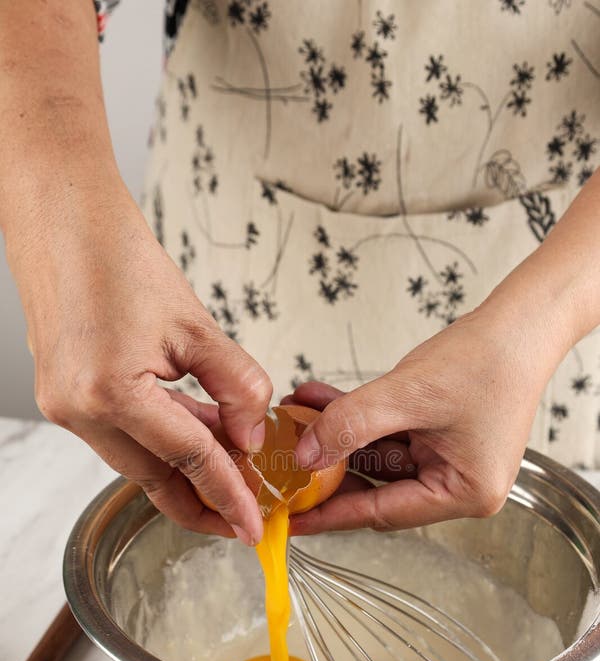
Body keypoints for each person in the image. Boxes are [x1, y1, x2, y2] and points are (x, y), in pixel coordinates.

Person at [2, 0, 599, 548]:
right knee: (214, 470)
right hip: (230, 248)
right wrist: (65, 230)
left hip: (560, 291)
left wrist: (535, 327)